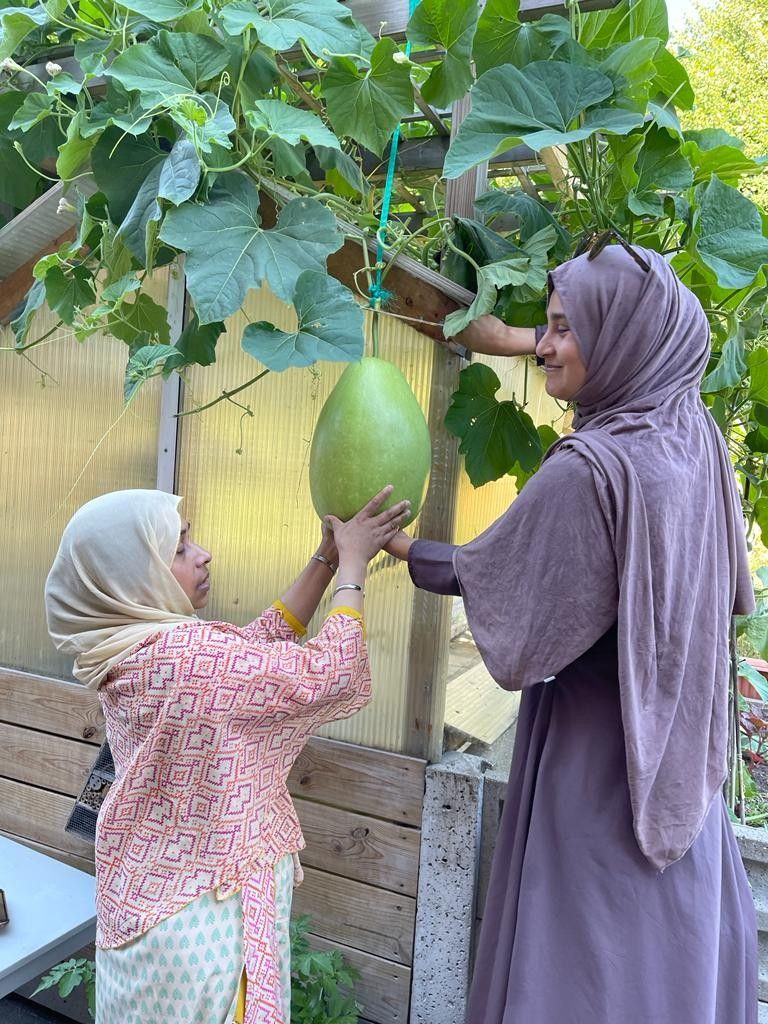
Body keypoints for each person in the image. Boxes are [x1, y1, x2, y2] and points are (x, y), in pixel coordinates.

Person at [387, 245, 758, 1023]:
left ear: (622, 338)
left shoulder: (594, 468)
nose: (545, 345)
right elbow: (731, 596)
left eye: (561, 328)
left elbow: (505, 580)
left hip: (599, 765)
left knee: (587, 968)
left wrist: (400, 549)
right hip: (683, 767)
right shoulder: (698, 447)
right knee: (664, 959)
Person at [44, 485, 409, 1024]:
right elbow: (331, 674)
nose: (203, 553)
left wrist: (325, 562)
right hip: (205, 924)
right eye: (179, 547)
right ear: (133, 573)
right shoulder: (191, 660)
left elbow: (249, 651)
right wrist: (354, 568)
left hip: (152, 914)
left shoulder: (127, 646)